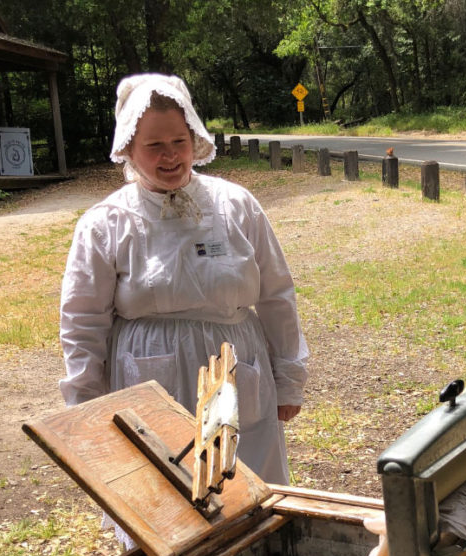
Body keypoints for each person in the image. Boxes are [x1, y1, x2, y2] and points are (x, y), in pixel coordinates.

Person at [58, 73, 308, 485]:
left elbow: (277, 293)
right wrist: (88, 405)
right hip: (147, 383)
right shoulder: (106, 223)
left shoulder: (236, 205)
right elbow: (82, 321)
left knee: (241, 487)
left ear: (195, 139)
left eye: (179, 142)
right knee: (162, 492)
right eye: (154, 146)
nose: (170, 156)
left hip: (235, 372)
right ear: (128, 150)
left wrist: (289, 378)